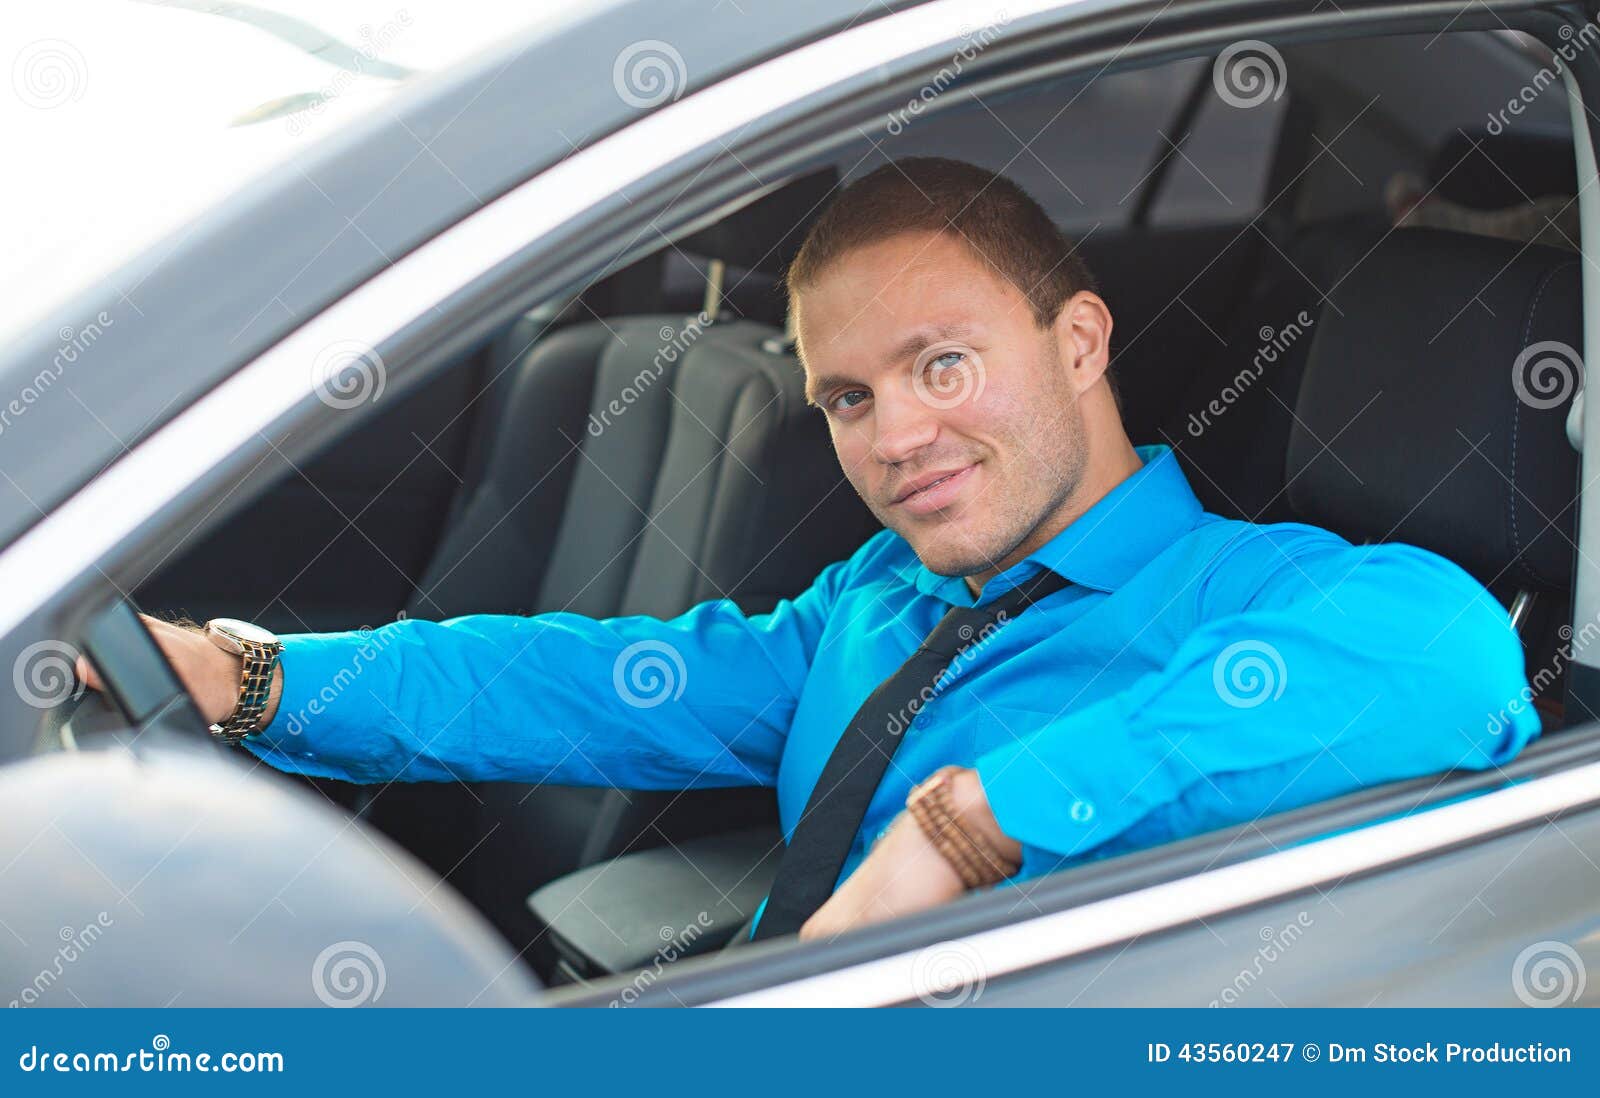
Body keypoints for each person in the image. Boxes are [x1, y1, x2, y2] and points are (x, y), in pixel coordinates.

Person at [81, 157, 1540, 941]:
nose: (892, 433)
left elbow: (1454, 655)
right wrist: (253, 675)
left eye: (943, 364)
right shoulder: (886, 595)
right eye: (848, 395)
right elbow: (590, 684)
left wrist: (960, 835)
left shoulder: (1268, 592)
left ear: (1080, 339)